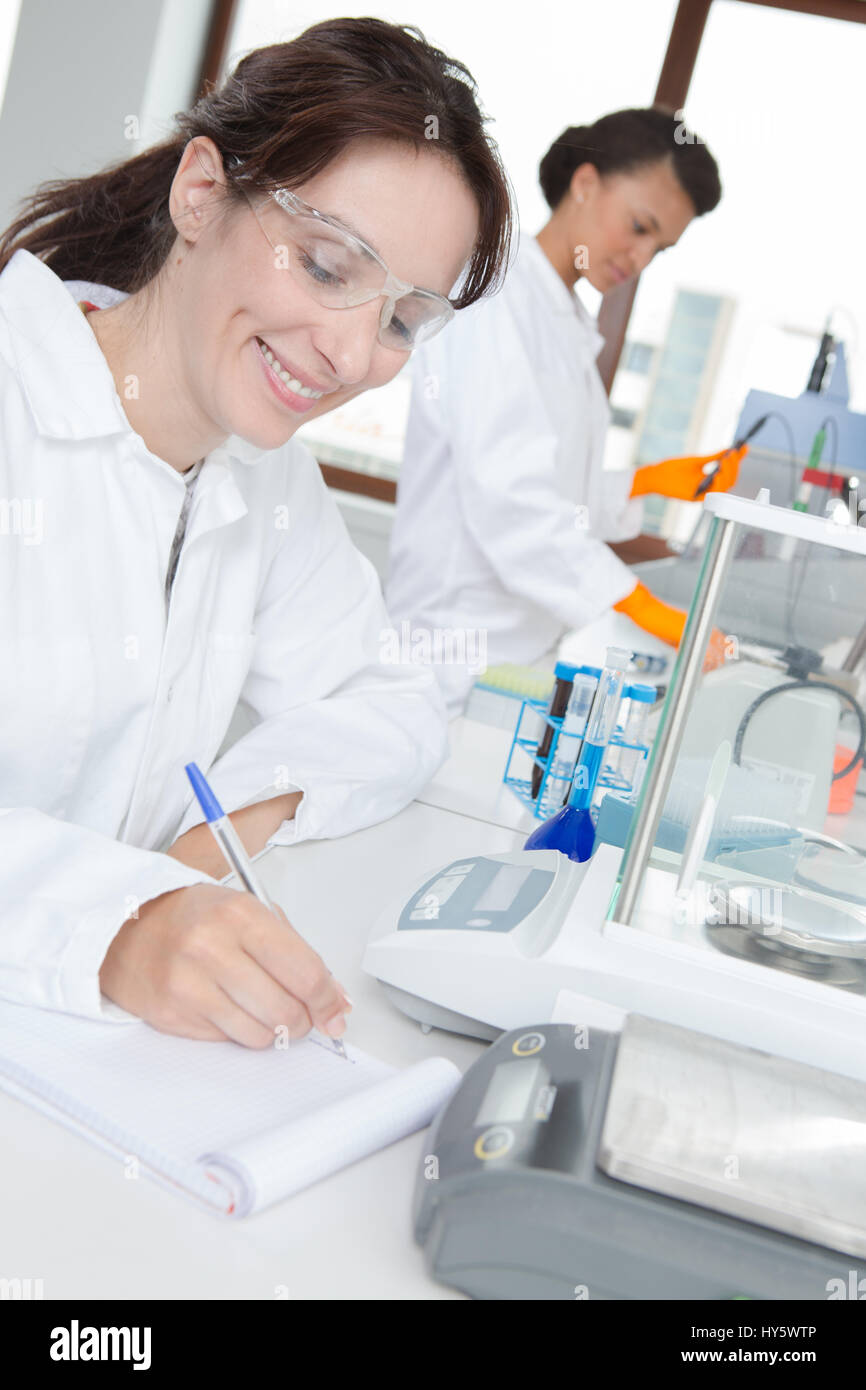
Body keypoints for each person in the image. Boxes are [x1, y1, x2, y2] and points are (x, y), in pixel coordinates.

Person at [0, 18, 511, 1046]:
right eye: (326, 267)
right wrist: (115, 925)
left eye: (404, 319)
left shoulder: (261, 477)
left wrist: (229, 819)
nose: (351, 353)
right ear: (201, 193)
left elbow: (392, 694)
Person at [387, 108, 741, 715]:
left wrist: (648, 484)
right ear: (585, 183)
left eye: (660, 247)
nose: (640, 257)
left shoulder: (565, 323)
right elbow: (512, 502)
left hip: (511, 663)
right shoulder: (494, 294)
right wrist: (639, 604)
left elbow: (557, 496)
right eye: (639, 226)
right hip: (444, 662)